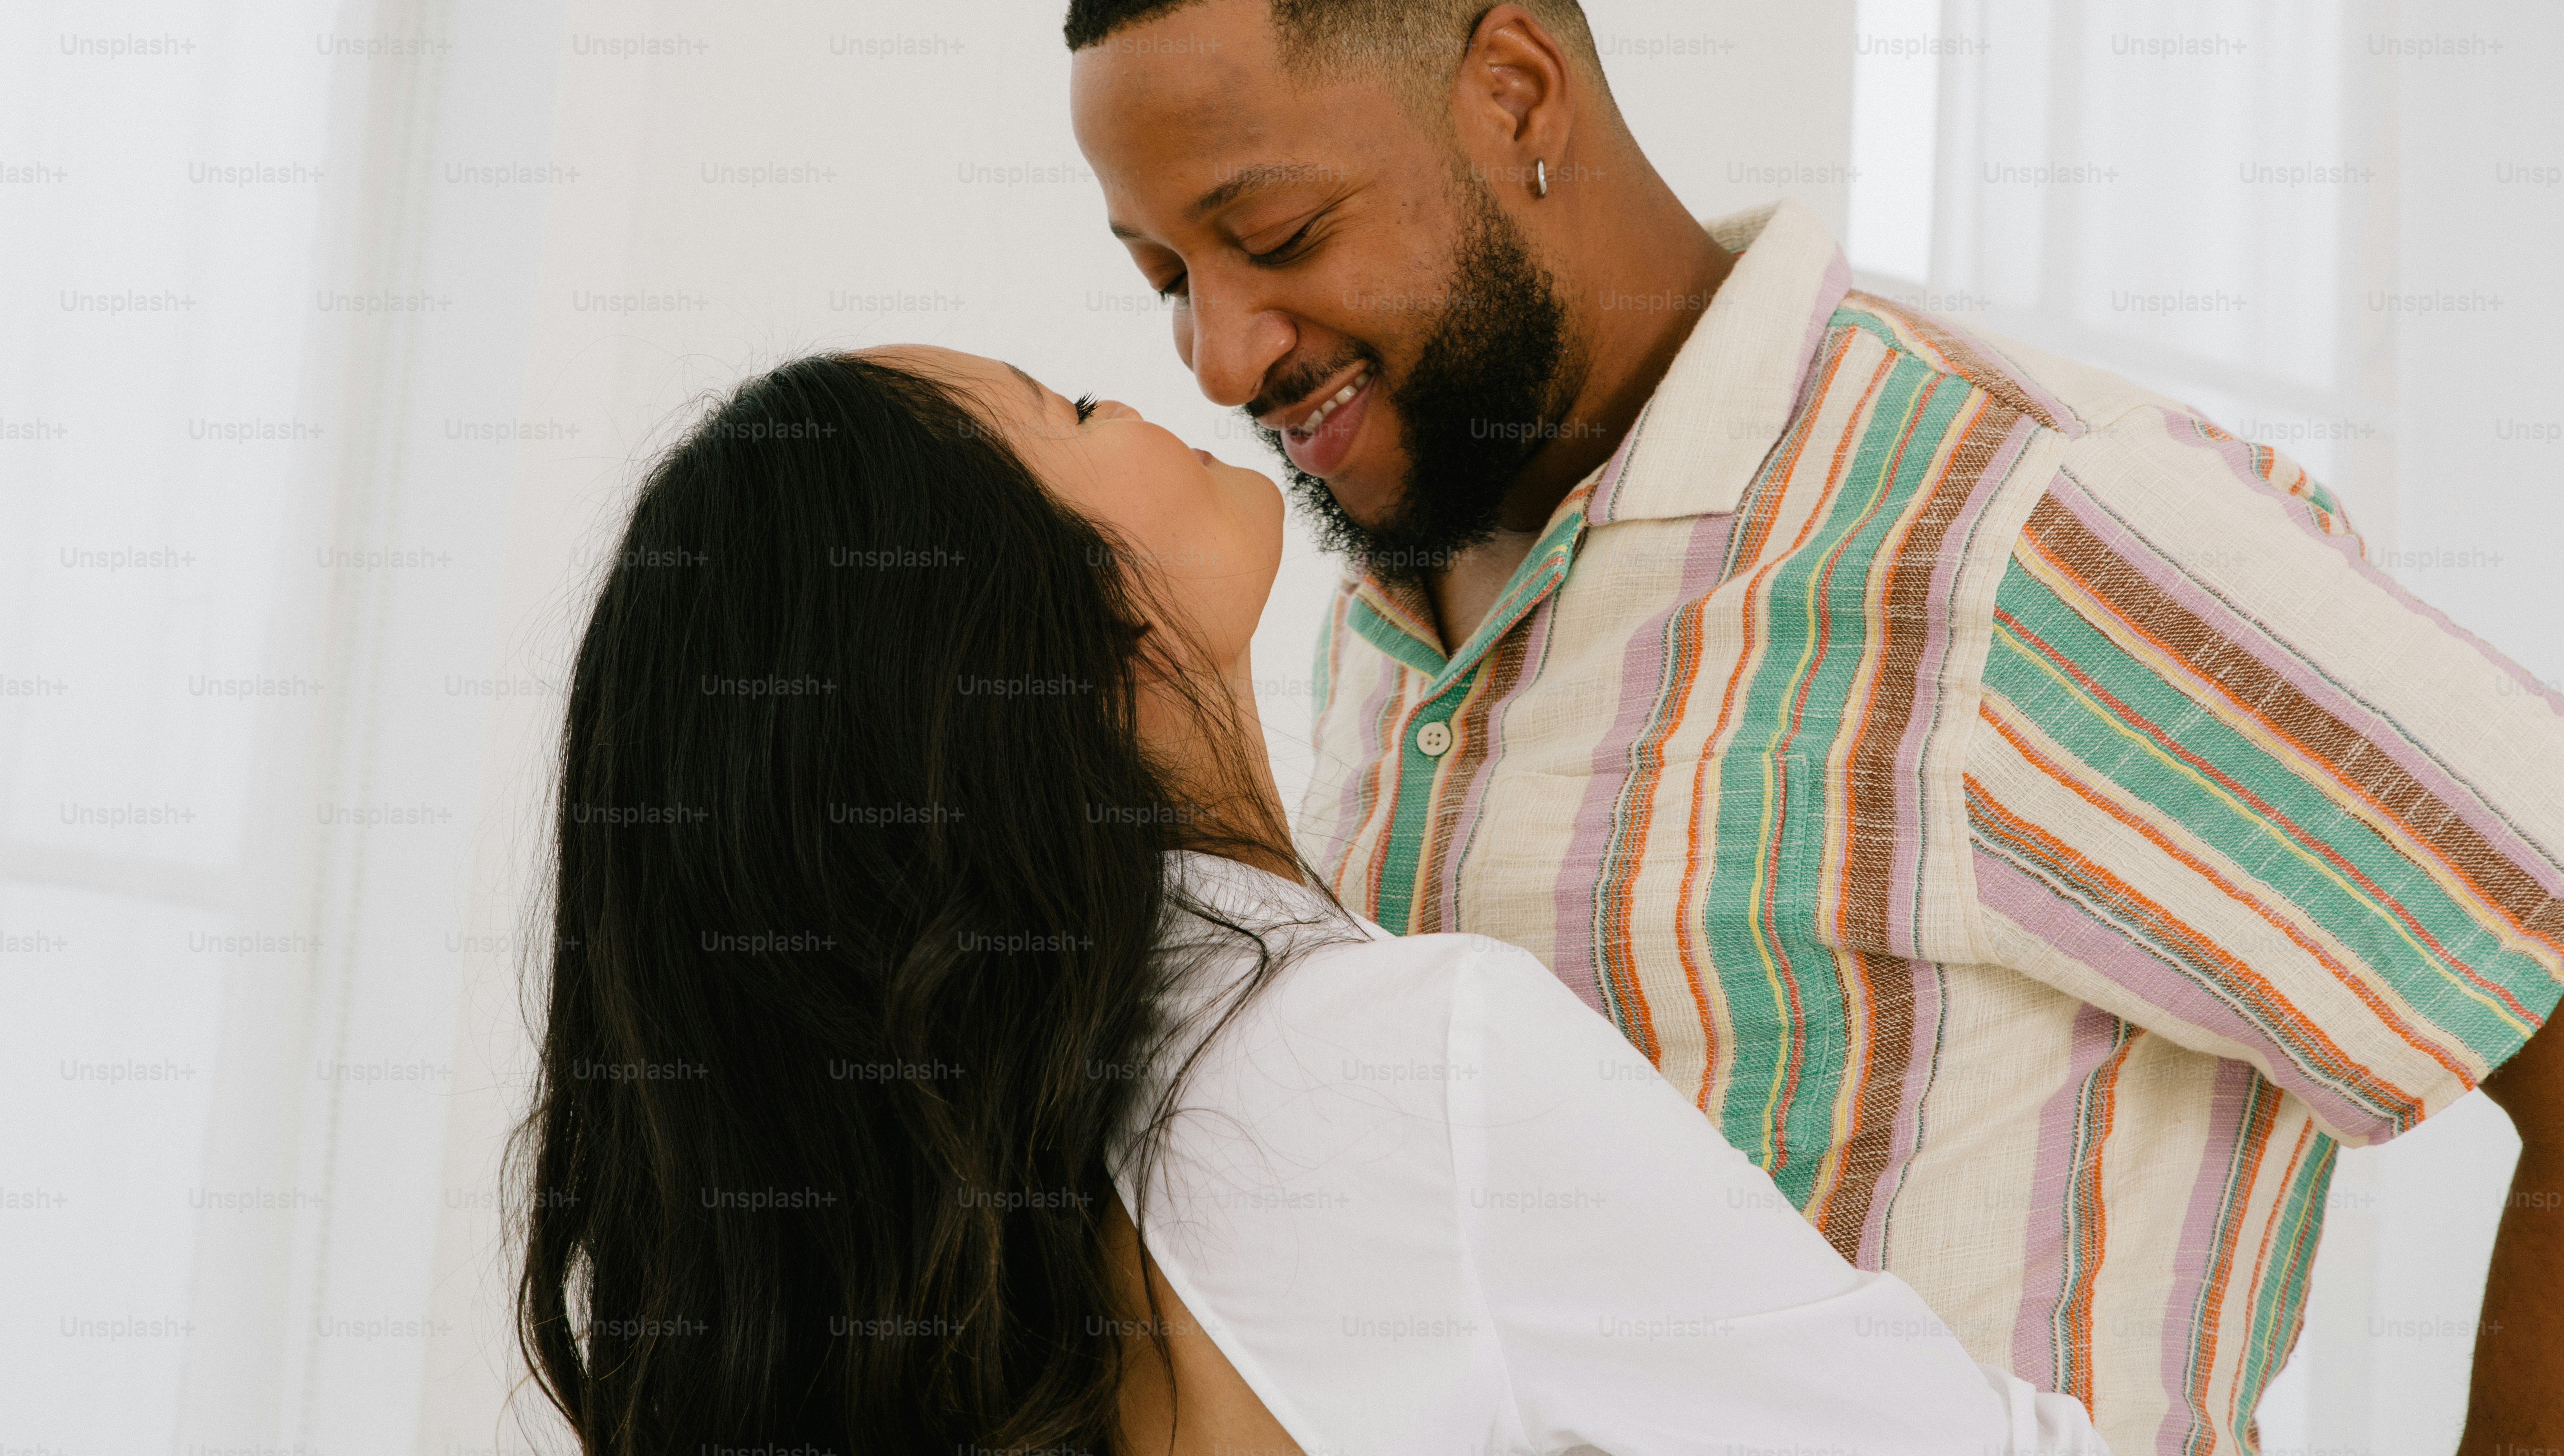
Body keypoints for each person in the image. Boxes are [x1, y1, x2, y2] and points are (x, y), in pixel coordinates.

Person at [1060, 0, 2564, 1456]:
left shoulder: (2017, 525)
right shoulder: (1390, 587)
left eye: (1275, 237)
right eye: (1164, 278)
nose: (1217, 355)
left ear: (1512, 96)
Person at [511, 348, 2110, 1454]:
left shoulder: (956, 1208)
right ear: (1041, 622)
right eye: (1069, 408)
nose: (1160, 385)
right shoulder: (1394, 1061)